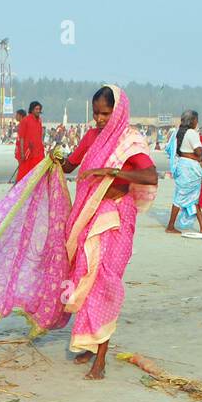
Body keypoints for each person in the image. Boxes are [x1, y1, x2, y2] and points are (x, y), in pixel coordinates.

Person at [58, 85, 158, 380]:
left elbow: (150, 175)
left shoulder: (129, 141)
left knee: (105, 283)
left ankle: (100, 359)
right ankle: (90, 346)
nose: (100, 119)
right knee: (87, 278)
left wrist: (113, 173)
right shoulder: (92, 137)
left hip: (116, 219)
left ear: (119, 111)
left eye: (106, 113)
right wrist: (54, 159)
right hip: (89, 215)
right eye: (96, 113)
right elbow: (70, 166)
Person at [166, 110, 202, 234]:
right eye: (196, 120)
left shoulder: (178, 132)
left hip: (183, 165)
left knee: (192, 197)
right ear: (192, 121)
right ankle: (170, 226)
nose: (197, 122)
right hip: (191, 169)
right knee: (182, 197)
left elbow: (180, 151)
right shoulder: (192, 133)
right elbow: (198, 152)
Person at [15, 101, 44, 183]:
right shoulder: (25, 120)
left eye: (39, 109)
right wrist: (22, 152)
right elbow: (22, 138)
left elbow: (39, 136)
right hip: (28, 152)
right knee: (24, 175)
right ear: (32, 110)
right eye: (36, 109)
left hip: (38, 152)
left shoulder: (39, 121)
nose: (38, 111)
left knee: (38, 174)